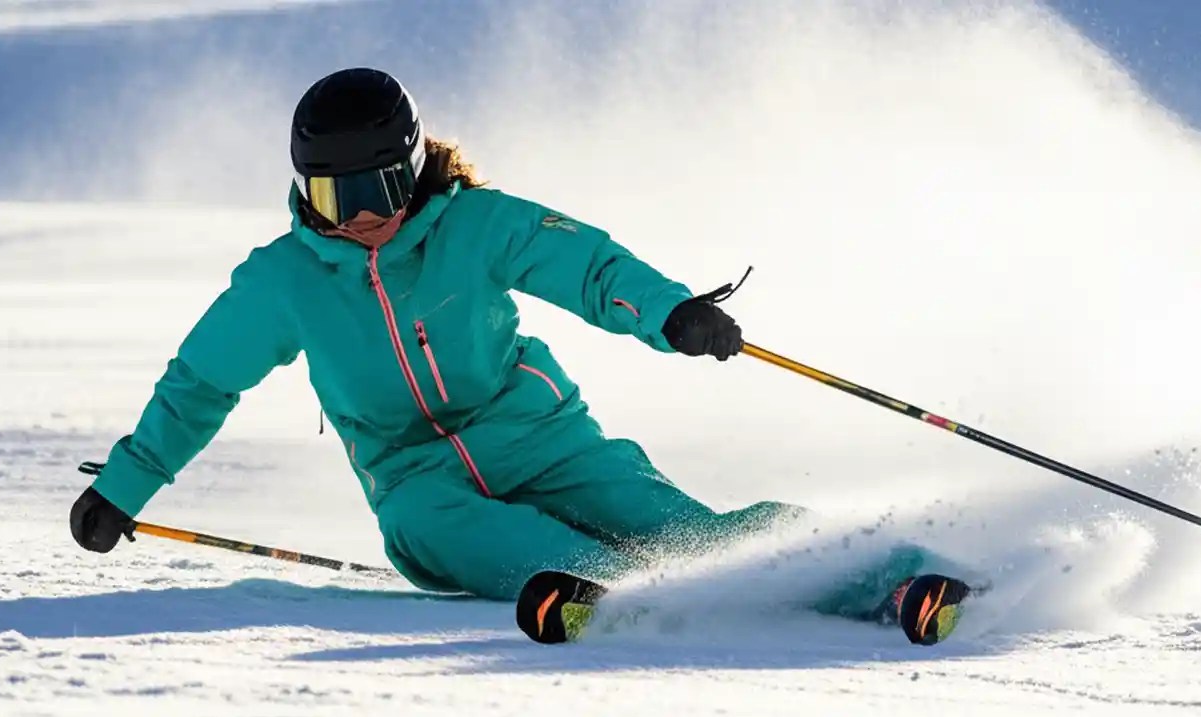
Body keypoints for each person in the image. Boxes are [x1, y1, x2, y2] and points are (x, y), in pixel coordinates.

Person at [68, 67, 970, 645]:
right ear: (307, 188)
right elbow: (199, 385)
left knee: (676, 527)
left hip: (542, 436)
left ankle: (887, 577)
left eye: (377, 188)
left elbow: (585, 263)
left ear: (411, 167)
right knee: (468, 534)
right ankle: (606, 597)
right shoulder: (285, 280)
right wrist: (124, 488)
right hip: (416, 480)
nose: (360, 215)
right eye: (333, 194)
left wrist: (670, 314)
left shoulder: (473, 224)